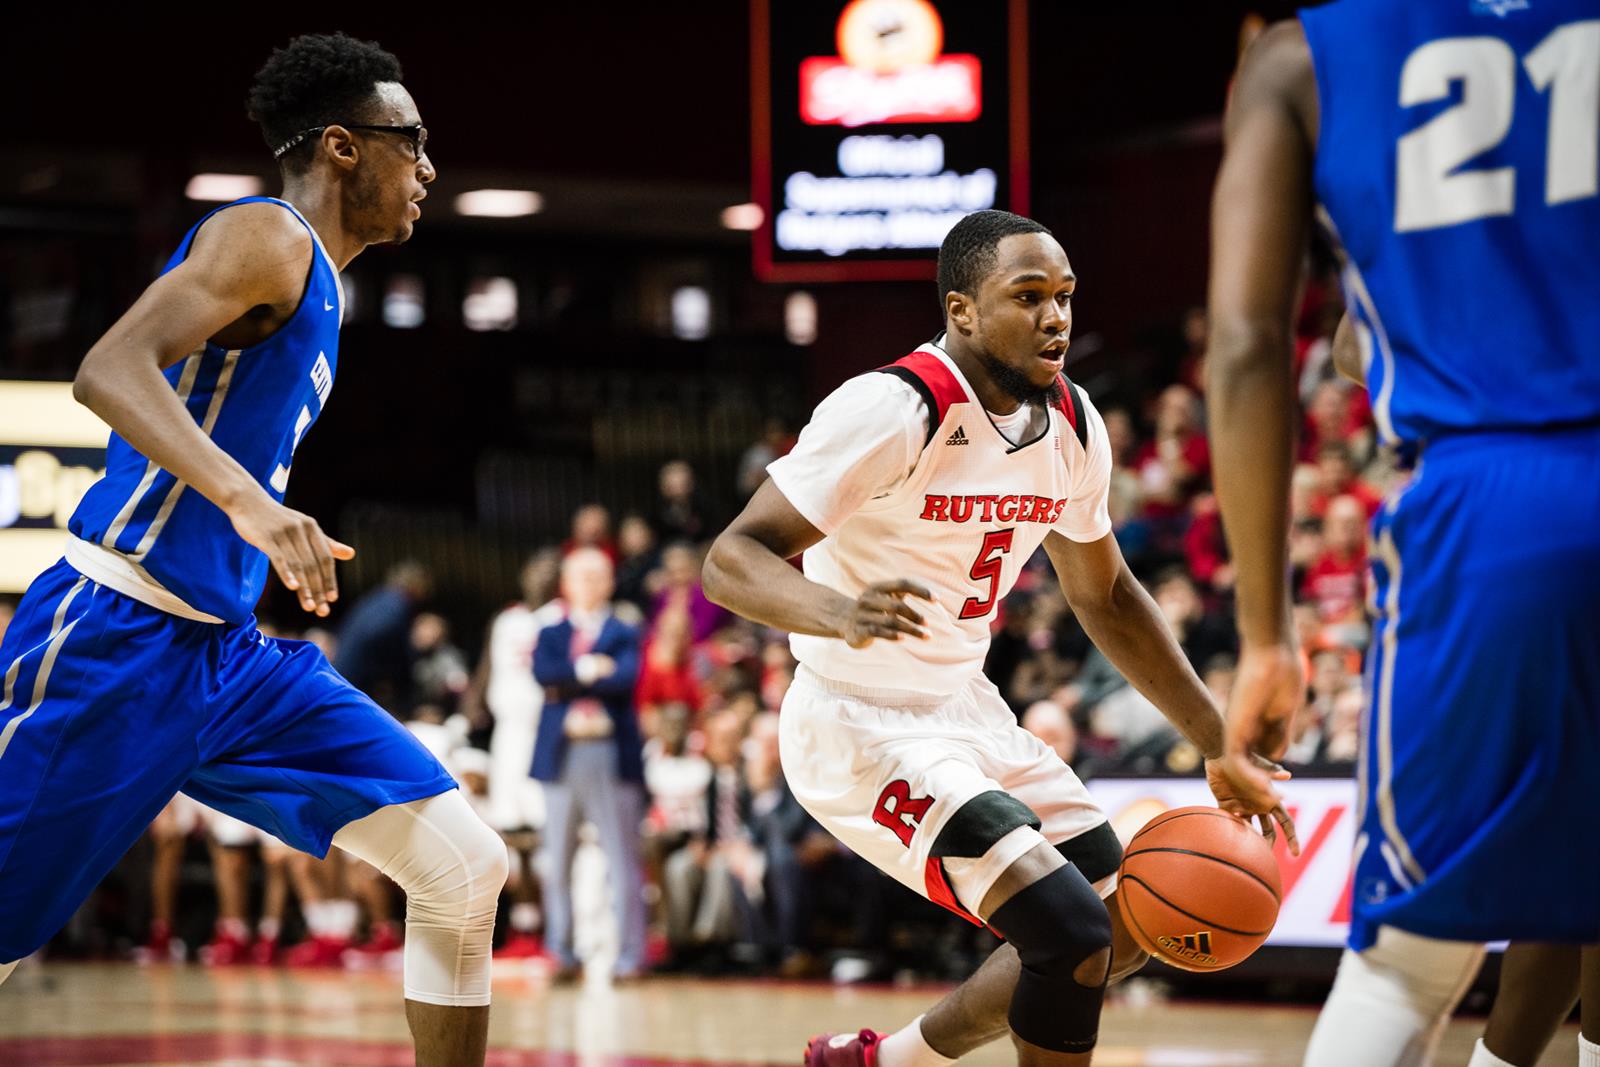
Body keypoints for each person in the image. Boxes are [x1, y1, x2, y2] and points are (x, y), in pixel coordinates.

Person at [0, 34, 507, 1067]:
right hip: (114, 636)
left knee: (464, 865)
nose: (428, 167)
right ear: (343, 146)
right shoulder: (268, 235)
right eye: (412, 140)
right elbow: (108, 368)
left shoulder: (322, 289)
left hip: (226, 658)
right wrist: (250, 504)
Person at [704, 209, 1295, 1067]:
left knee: (1120, 925)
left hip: (967, 709)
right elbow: (731, 558)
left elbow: (1108, 595)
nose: (1055, 318)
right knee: (1069, 930)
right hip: (857, 721)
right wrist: (837, 611)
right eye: (1028, 297)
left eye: (1064, 297)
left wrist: (1217, 739)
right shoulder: (895, 408)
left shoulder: (1075, 424)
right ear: (963, 310)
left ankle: (883, 1060)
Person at [1205, 4, 1600, 1066]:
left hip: (1497, 505)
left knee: (1406, 969)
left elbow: (1246, 342)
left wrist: (1264, 636)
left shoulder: (1304, 56)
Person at [531, 547, 648, 981]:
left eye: (598, 576)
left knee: (621, 856)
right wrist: (587, 669)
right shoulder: (551, 632)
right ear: (566, 583)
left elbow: (625, 678)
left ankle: (630, 955)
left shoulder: (624, 629)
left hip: (609, 751)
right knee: (557, 858)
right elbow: (544, 674)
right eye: (581, 576)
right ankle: (561, 951)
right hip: (561, 753)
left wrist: (571, 680)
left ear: (610, 582)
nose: (589, 584)